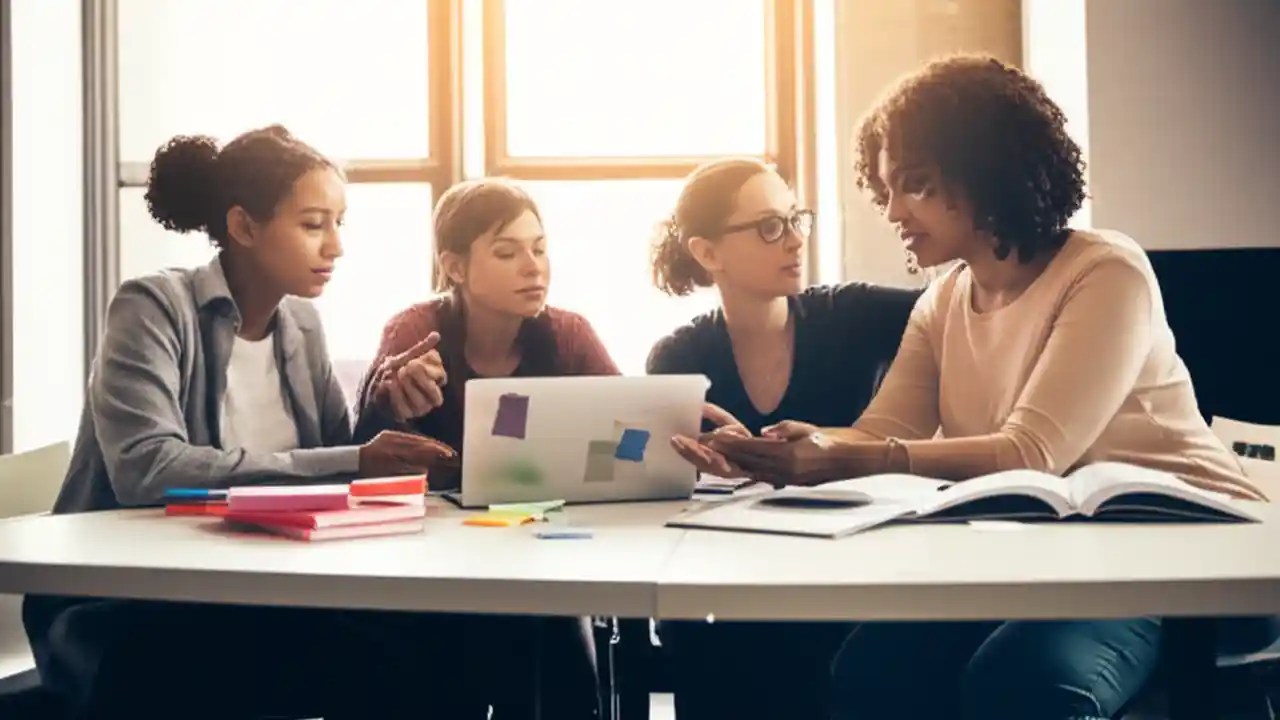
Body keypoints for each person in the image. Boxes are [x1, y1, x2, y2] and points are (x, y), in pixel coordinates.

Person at [696, 55, 1269, 719]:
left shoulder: (1106, 272)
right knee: (871, 668)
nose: (893, 209)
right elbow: (884, 434)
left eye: (915, 183)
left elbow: (1032, 452)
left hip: (1186, 561)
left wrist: (839, 454)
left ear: (983, 167)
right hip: (1057, 558)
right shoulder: (942, 301)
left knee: (1023, 684)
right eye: (885, 189)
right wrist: (778, 449)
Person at [23, 125, 455, 719]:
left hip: (261, 589)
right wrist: (353, 459)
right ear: (244, 227)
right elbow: (148, 470)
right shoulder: (152, 308)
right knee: (230, 663)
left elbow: (330, 471)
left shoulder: (302, 326)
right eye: (313, 224)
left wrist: (383, 406)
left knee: (428, 648)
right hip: (131, 599)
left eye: (339, 223)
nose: (335, 247)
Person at [648, 157, 920, 720]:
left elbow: (967, 306)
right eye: (770, 227)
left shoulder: (854, 314)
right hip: (727, 579)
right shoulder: (677, 358)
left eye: (796, 220)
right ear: (707, 253)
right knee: (706, 640)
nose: (794, 240)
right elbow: (664, 488)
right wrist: (705, 468)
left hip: (848, 566)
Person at [353, 176, 615, 719]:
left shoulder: (569, 335)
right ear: (454, 266)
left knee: (551, 626)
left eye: (539, 248)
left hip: (542, 546)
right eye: (507, 251)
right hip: (433, 561)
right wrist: (392, 398)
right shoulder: (416, 330)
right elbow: (366, 439)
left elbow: (623, 424)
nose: (533, 265)